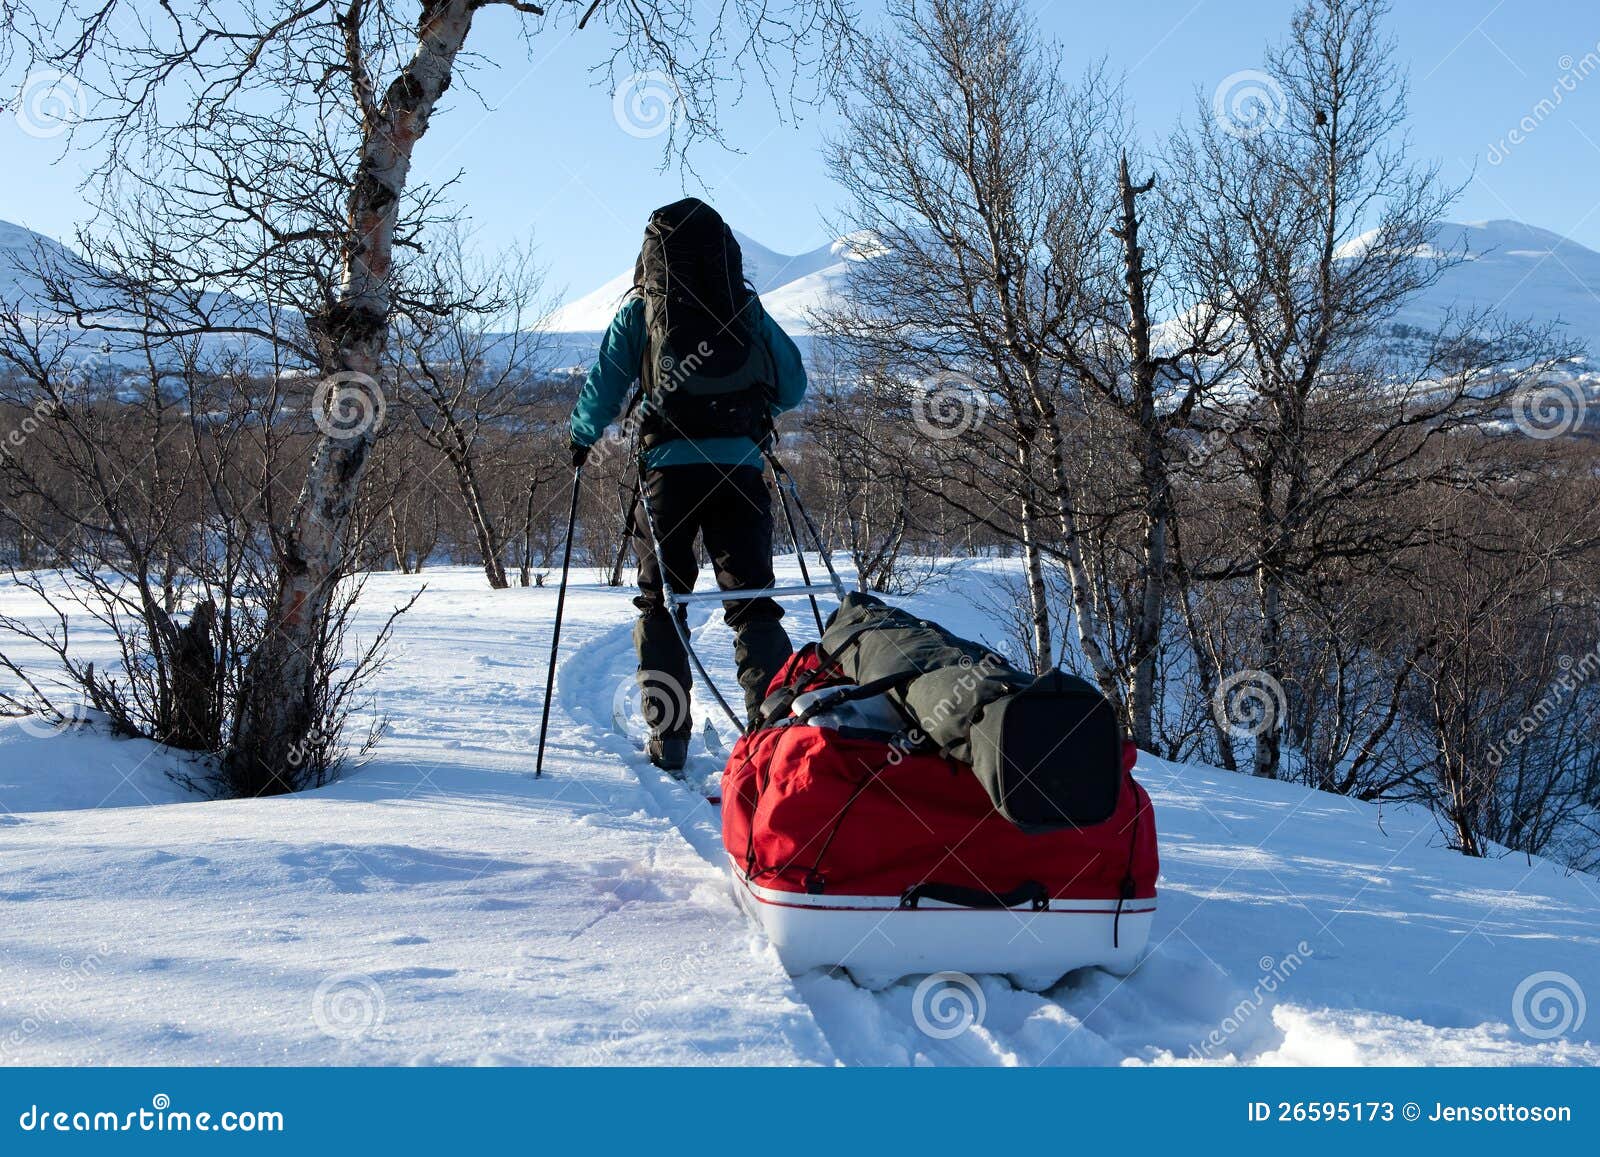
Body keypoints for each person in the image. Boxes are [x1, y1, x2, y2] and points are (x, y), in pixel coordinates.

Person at [568, 198, 808, 772]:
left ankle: (668, 735)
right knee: (752, 602)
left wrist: (581, 437)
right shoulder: (744, 307)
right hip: (740, 469)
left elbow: (604, 386)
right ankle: (770, 734)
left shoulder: (642, 312)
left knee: (662, 601)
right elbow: (793, 385)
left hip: (668, 474)